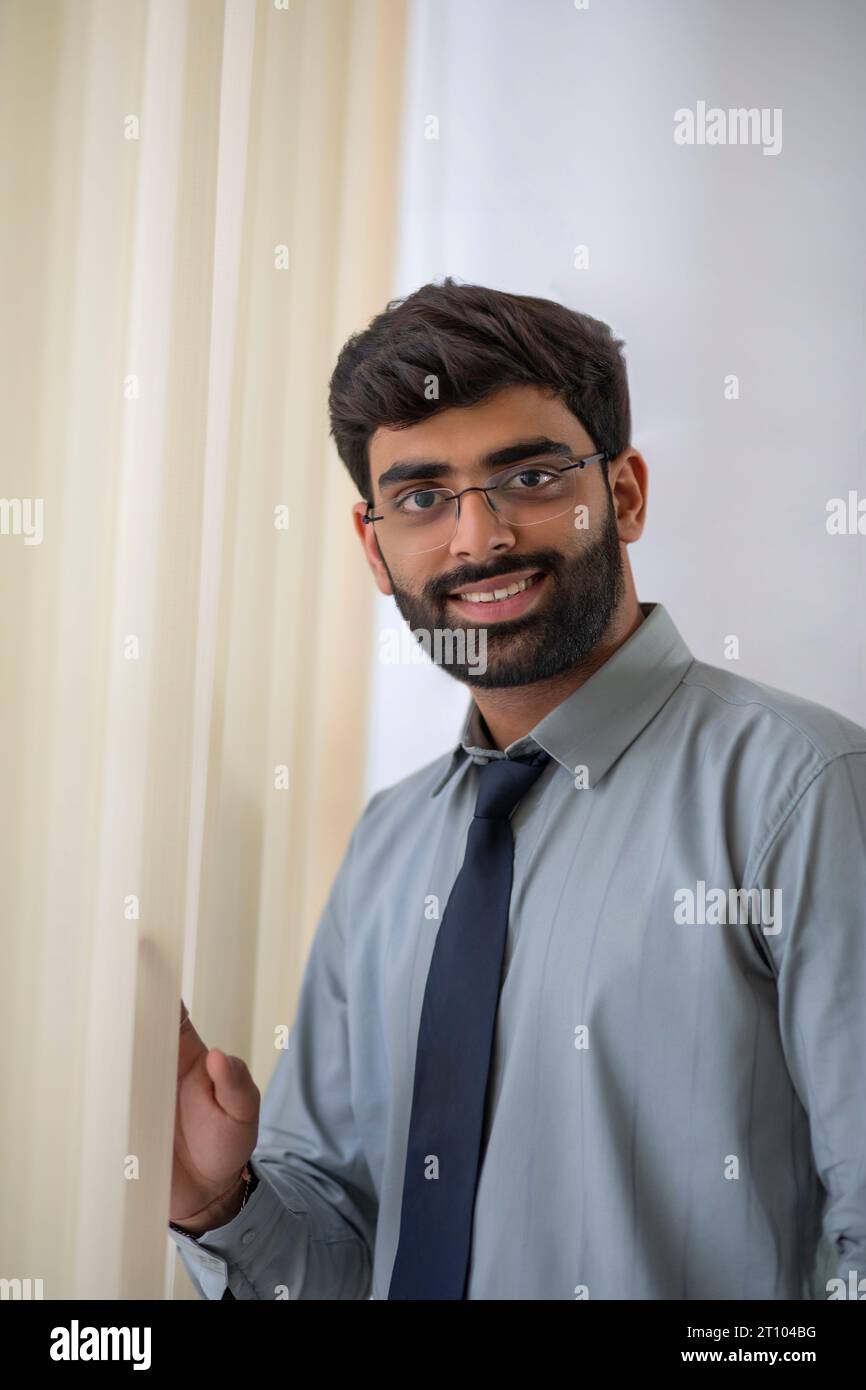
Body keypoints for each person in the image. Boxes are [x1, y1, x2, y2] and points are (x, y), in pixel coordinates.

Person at [168, 278, 866, 1300]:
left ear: (621, 492)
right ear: (374, 547)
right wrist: (215, 1203)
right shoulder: (390, 842)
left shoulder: (802, 794)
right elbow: (348, 1264)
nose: (477, 538)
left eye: (529, 476)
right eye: (420, 499)